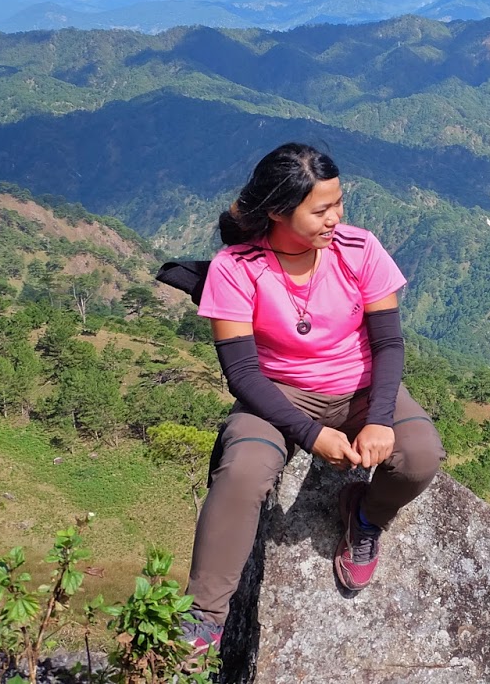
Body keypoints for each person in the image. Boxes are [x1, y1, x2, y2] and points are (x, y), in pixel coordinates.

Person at [180, 143, 444, 653]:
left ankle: (365, 515)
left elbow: (388, 344)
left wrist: (380, 418)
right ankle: (203, 617)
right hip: (277, 393)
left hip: (360, 386)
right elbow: (242, 374)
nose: (336, 218)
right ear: (279, 211)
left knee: (420, 456)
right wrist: (310, 434)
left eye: (338, 203)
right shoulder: (236, 267)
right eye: (321, 210)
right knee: (243, 472)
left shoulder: (359, 249)